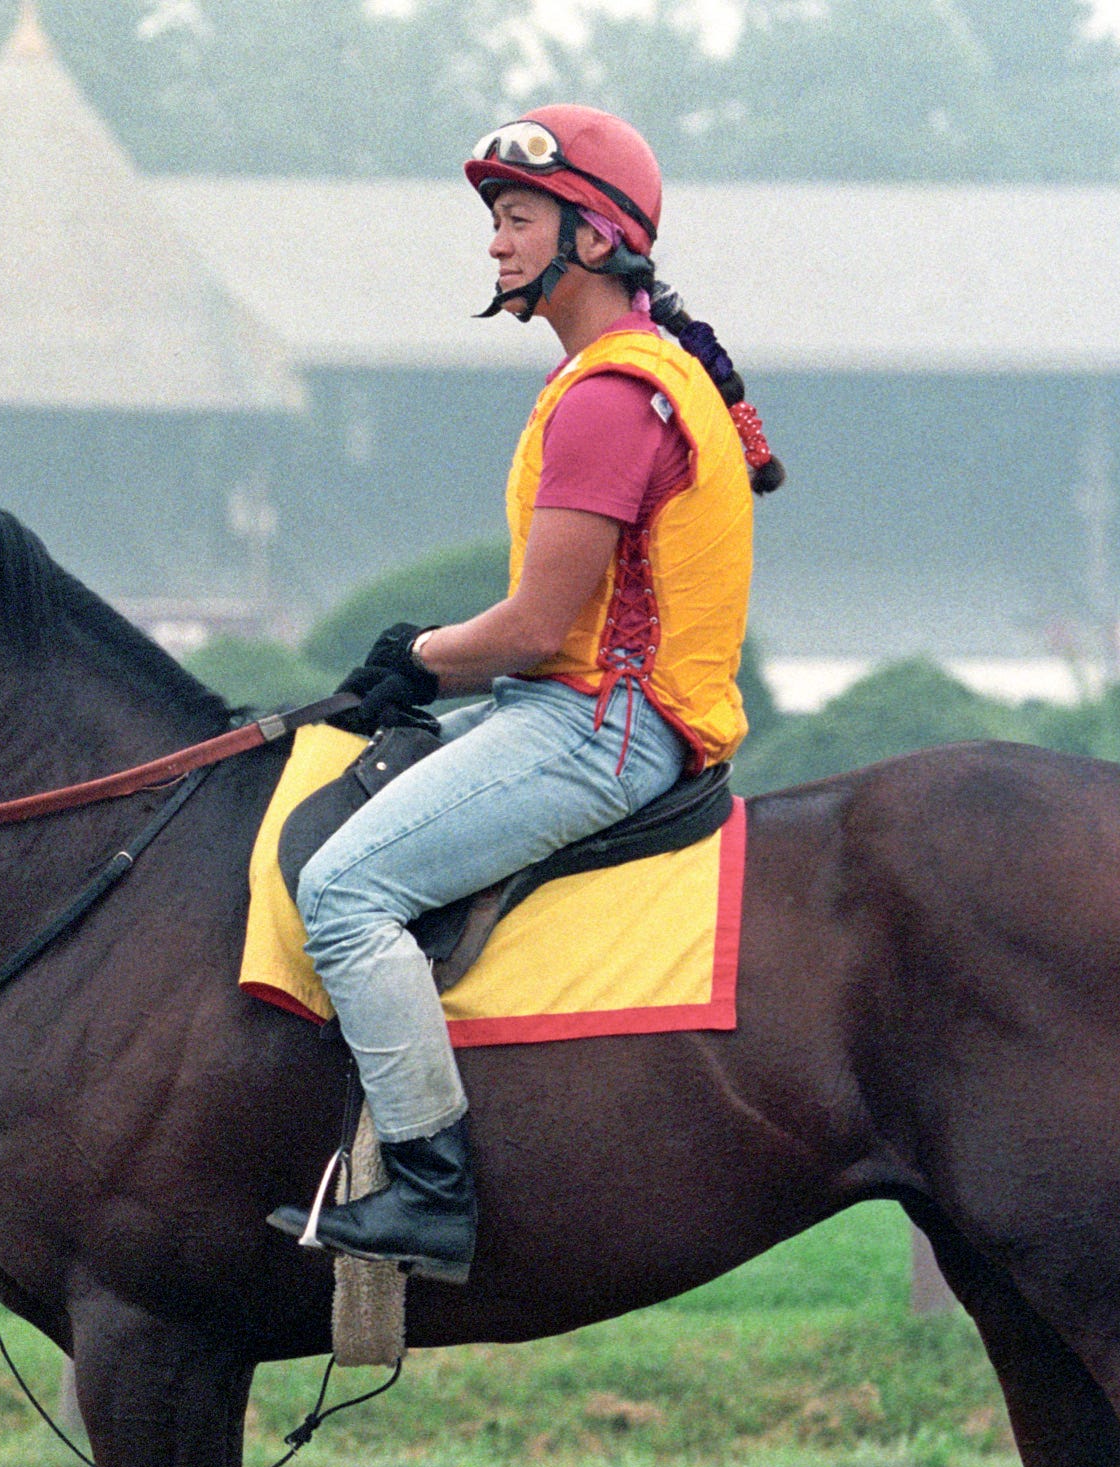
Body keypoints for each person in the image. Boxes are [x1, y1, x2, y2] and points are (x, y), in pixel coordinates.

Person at [269, 106, 783, 1282]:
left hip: (598, 731)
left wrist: (416, 654)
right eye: (495, 221)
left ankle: (427, 1187)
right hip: (588, 713)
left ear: (592, 238)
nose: (494, 243)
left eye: (515, 218)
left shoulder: (610, 396)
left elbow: (536, 629)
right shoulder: (630, 378)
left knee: (343, 889)